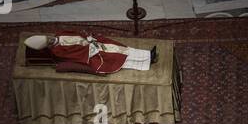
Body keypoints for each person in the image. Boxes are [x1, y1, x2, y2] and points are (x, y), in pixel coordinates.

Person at [24, 32, 157, 74]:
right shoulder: (57, 50)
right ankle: (146, 61)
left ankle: (146, 54)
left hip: (93, 44)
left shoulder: (59, 35)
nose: (53, 39)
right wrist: (92, 48)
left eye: (50, 37)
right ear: (48, 45)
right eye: (50, 41)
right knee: (118, 57)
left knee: (121, 48)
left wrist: (89, 39)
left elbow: (77, 36)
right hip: (92, 55)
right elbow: (76, 55)